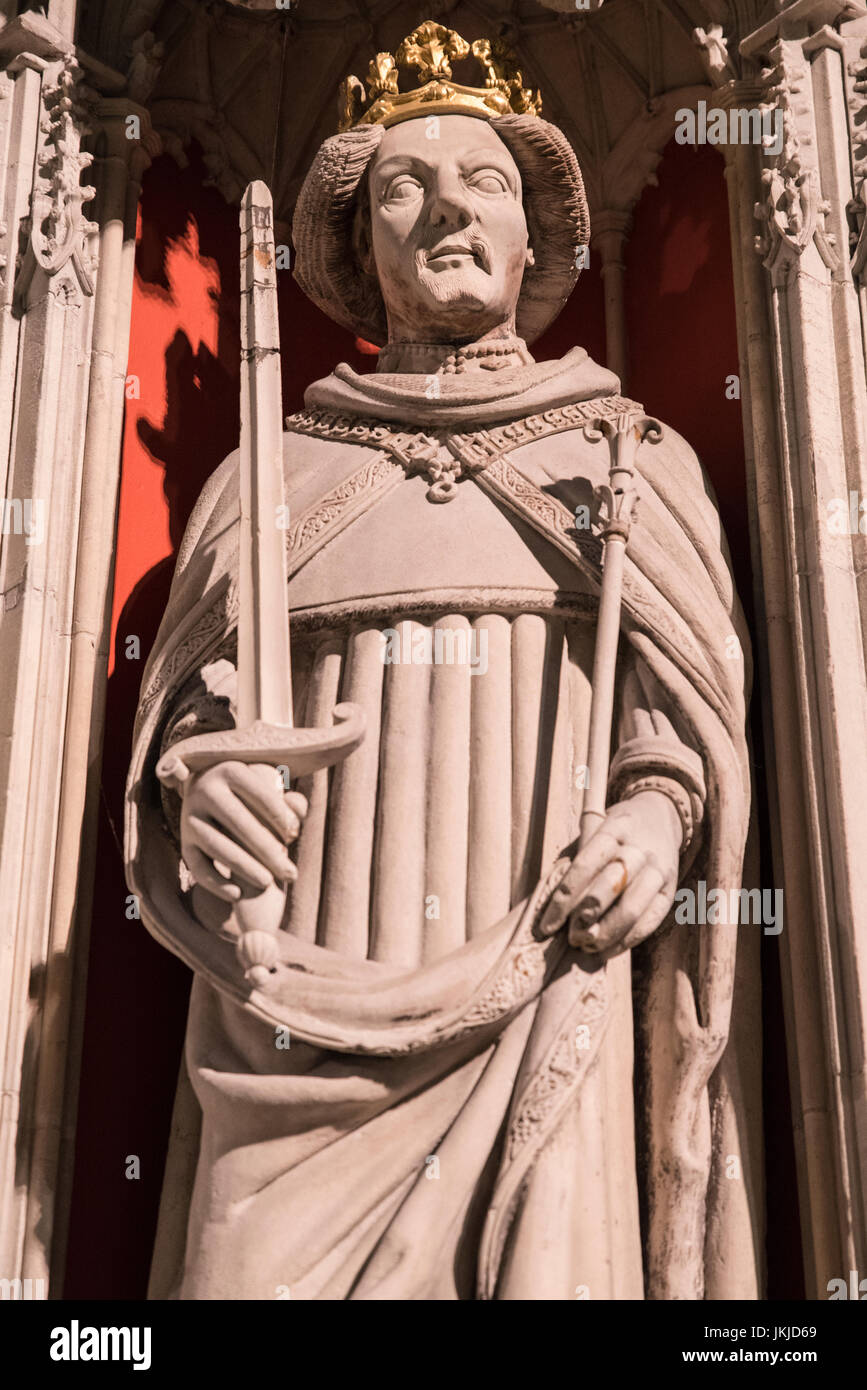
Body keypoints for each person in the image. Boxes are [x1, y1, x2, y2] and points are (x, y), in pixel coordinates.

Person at [126, 22, 760, 1300]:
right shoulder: (271, 472)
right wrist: (201, 793)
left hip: (541, 983)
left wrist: (654, 819)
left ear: (537, 243)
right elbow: (191, 722)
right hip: (294, 1006)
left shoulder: (626, 459)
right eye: (401, 191)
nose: (445, 212)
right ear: (360, 251)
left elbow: (681, 718)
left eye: (485, 183)